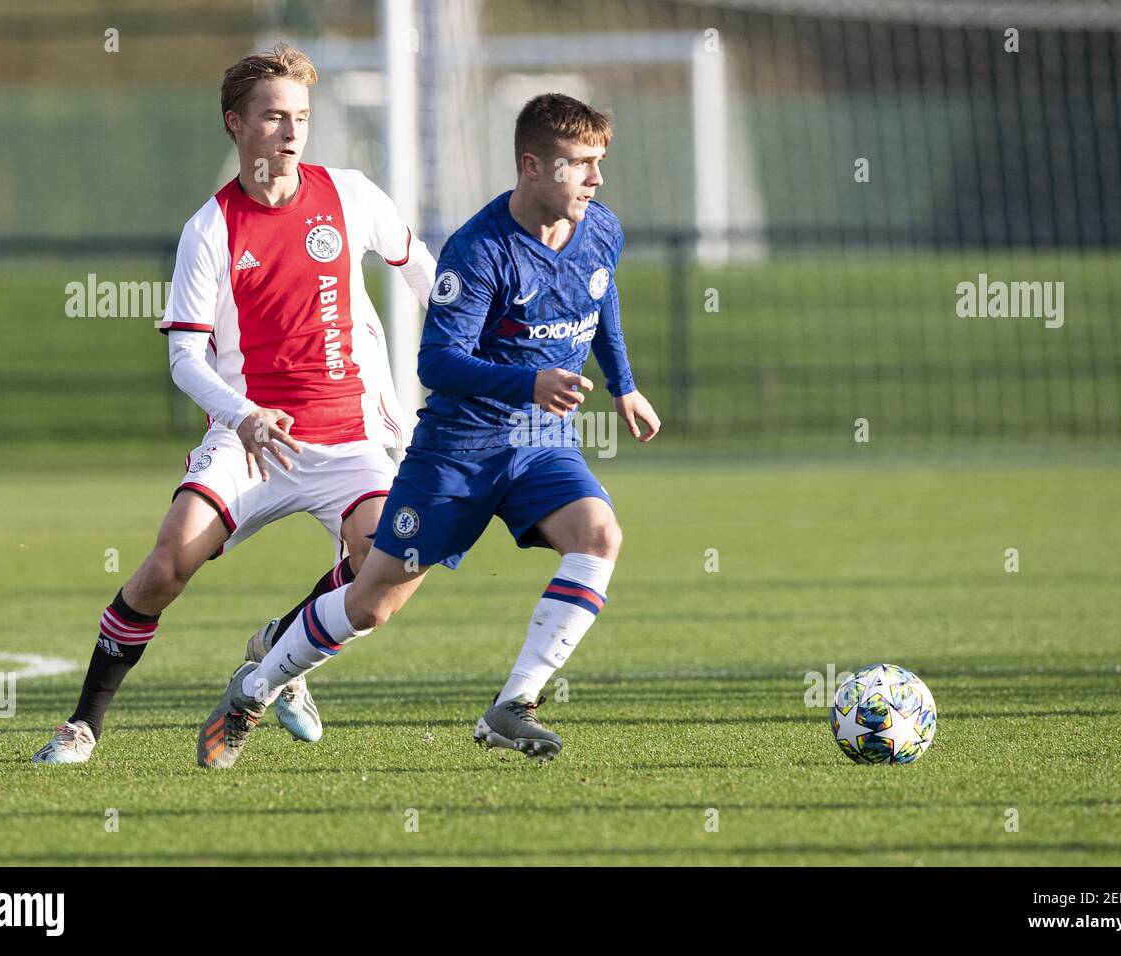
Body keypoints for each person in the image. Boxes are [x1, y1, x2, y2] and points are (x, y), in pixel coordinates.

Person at [198, 92, 660, 769]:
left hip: (538, 444)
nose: (596, 178)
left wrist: (622, 383)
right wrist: (527, 382)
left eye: (600, 162)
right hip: (458, 450)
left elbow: (601, 287)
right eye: (579, 164)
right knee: (372, 602)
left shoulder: (599, 227)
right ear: (531, 167)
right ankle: (254, 688)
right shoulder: (478, 252)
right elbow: (437, 362)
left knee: (599, 537)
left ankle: (514, 704)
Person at [32, 43, 434, 764]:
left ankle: (282, 652)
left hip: (348, 436)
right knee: (163, 568)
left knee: (390, 565)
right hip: (251, 437)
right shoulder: (210, 229)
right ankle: (82, 726)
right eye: (274, 117)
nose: (290, 132)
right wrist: (244, 414)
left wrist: (460, 343)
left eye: (301, 117)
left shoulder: (350, 194)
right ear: (235, 124)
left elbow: (423, 273)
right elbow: (184, 358)